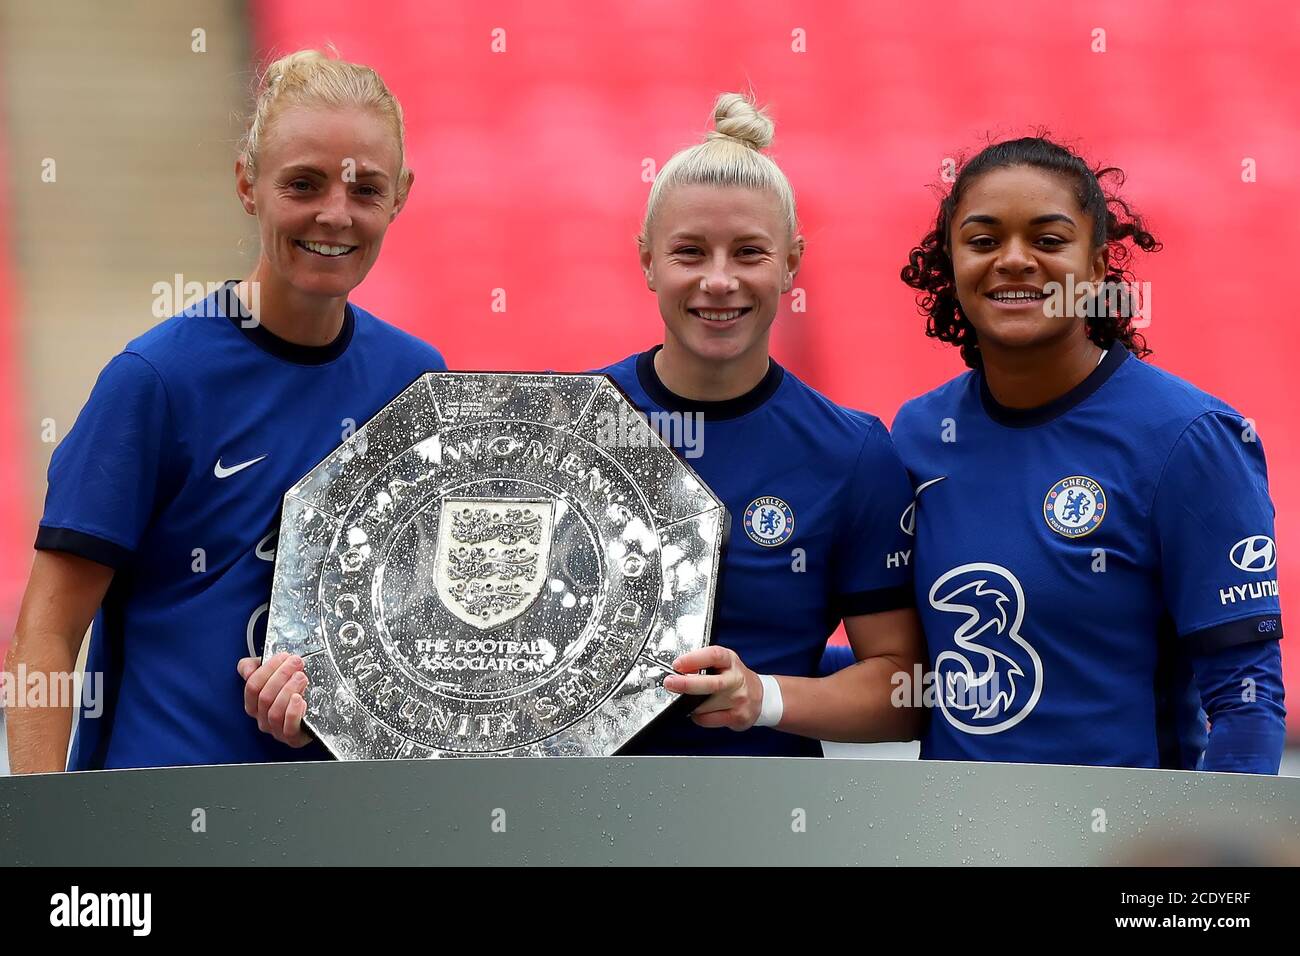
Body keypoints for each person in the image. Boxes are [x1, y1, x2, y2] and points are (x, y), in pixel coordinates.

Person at [4, 49, 445, 771]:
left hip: (350, 825)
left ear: (400, 195)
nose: (334, 214)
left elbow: (428, 631)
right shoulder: (155, 381)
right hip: (157, 825)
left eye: (365, 189)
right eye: (302, 184)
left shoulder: (420, 382)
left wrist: (330, 706)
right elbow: (47, 635)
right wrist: (40, 833)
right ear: (248, 183)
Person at [893, 136, 1286, 771]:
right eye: (984, 240)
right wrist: (755, 675)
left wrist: (1204, 863)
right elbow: (920, 665)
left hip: (1125, 849)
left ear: (1099, 266)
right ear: (951, 260)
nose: (1014, 261)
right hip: (952, 841)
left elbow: (1246, 700)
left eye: (1048, 241)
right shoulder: (918, 433)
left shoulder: (1190, 439)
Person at [599, 93, 926, 755]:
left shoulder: (852, 452)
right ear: (646, 260)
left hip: (768, 830)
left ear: (791, 262)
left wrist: (761, 697)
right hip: (574, 831)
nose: (719, 282)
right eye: (690, 253)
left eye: (748, 253)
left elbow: (904, 690)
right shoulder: (569, 424)